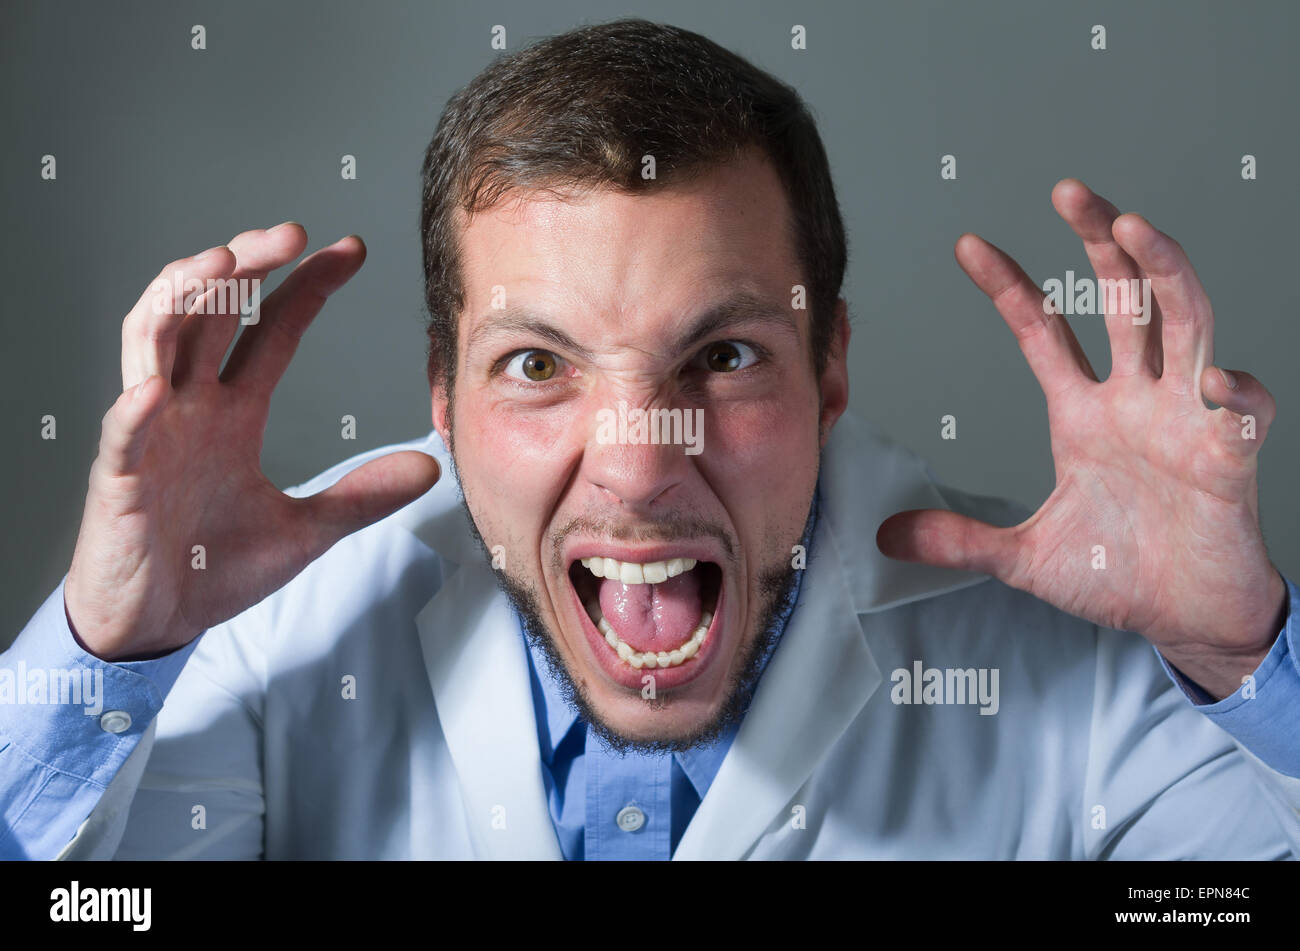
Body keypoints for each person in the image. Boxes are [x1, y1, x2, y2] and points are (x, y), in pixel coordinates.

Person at [2, 19, 1296, 860]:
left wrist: (1244, 656)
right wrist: (112, 649)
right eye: (537, 364)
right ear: (440, 396)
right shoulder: (286, 629)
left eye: (722, 357)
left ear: (829, 363)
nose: (634, 464)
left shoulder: (1080, 669)